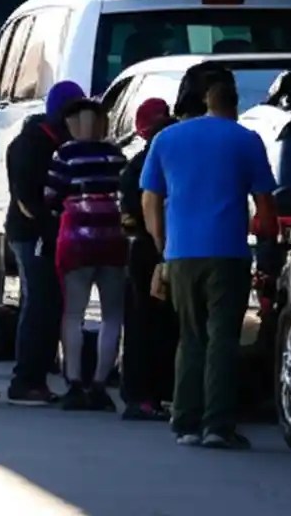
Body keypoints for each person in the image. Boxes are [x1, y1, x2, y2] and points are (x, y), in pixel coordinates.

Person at [140, 75, 280, 449]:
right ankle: (217, 424)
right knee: (222, 339)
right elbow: (265, 206)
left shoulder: (166, 139)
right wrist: (268, 238)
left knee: (190, 337)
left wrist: (162, 247)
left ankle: (184, 421)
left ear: (204, 101)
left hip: (181, 254)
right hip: (227, 253)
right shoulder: (245, 140)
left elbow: (150, 199)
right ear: (234, 106)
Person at [43, 97, 129, 411]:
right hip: (113, 241)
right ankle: (100, 383)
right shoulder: (115, 155)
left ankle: (75, 382)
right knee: (112, 315)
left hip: (76, 241)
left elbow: (51, 196)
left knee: (73, 314)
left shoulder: (64, 154)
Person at [3, 80, 86, 405]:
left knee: (47, 303)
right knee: (41, 303)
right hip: (32, 234)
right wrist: (48, 227)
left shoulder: (58, 140)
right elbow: (26, 198)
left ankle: (35, 377)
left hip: (48, 232)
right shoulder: (32, 143)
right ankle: (26, 380)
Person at [119, 98, 179, 421]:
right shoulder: (159, 167)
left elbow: (127, 216)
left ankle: (141, 394)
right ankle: (151, 394)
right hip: (159, 250)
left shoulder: (134, 165)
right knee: (159, 325)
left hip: (142, 250)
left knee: (142, 323)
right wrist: (161, 249)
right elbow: (146, 205)